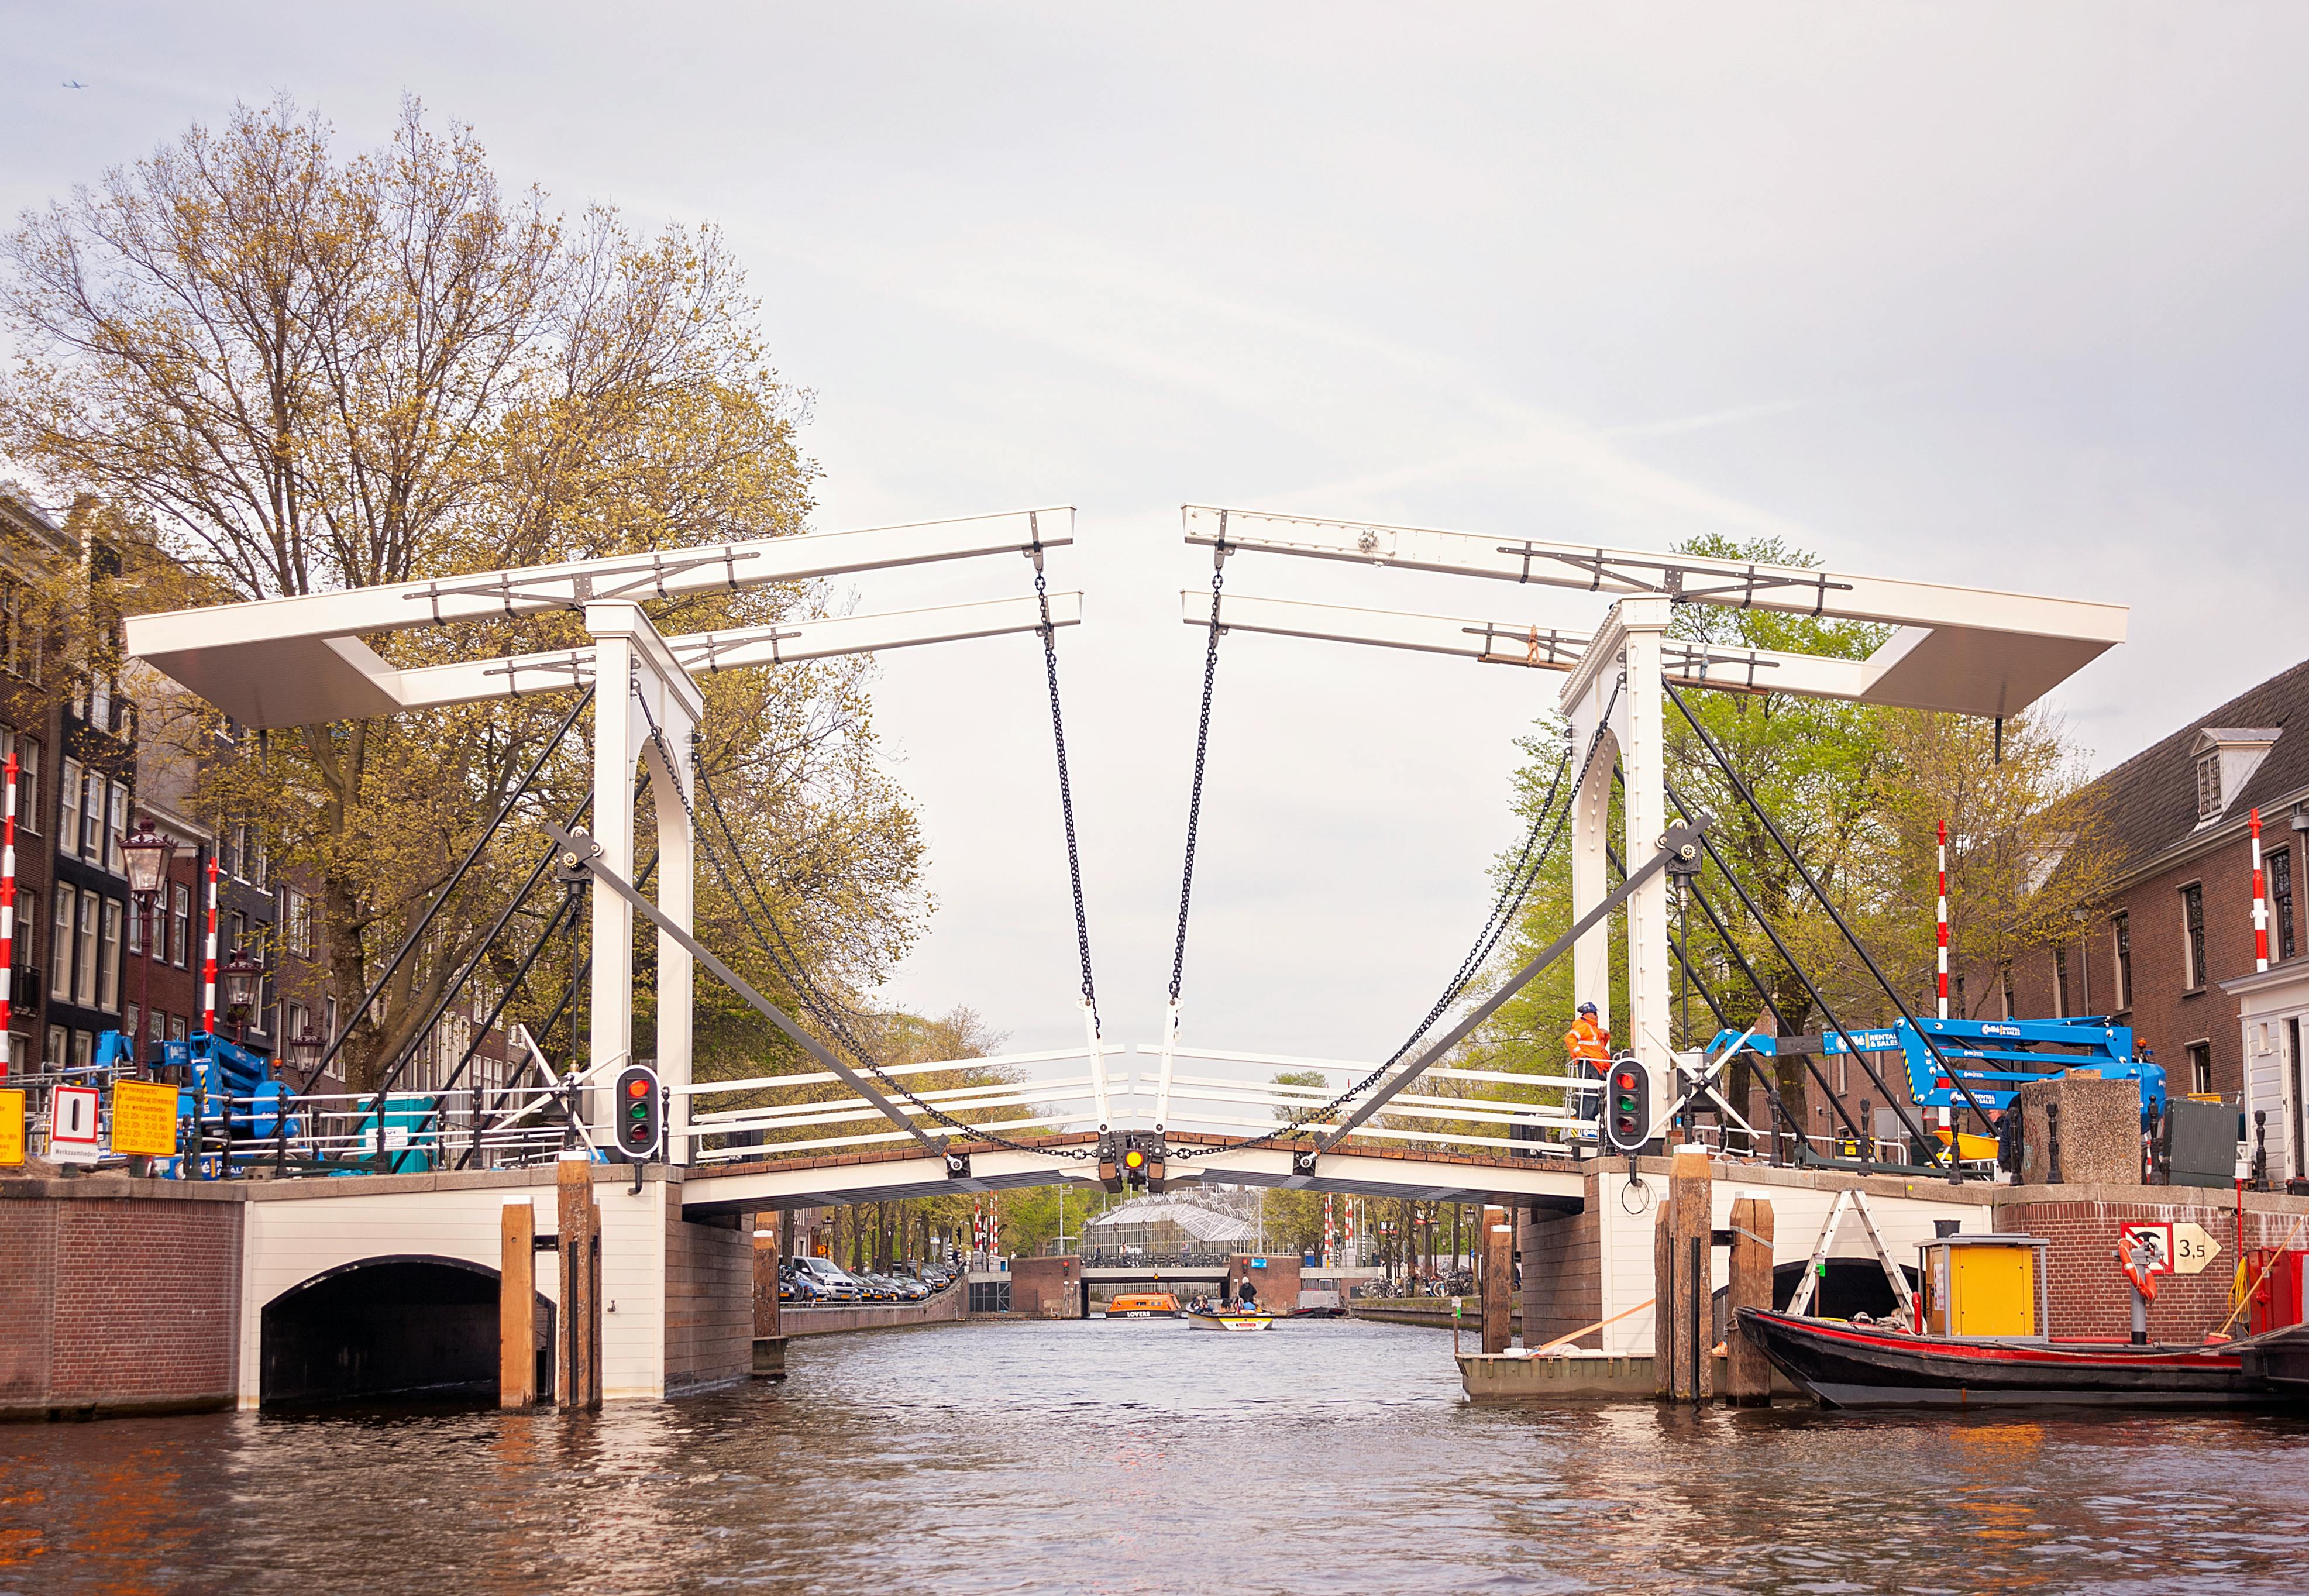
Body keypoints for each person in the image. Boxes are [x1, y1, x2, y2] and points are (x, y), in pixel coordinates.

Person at [1565, 1000, 1611, 1127]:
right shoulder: (1584, 1027)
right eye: (1595, 1013)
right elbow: (1570, 1039)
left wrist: (1605, 1036)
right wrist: (1580, 1055)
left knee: (1599, 1096)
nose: (1597, 1016)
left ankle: (1588, 1119)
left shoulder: (1593, 1029)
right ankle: (1586, 1121)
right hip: (1590, 1065)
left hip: (1599, 1066)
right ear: (1588, 1014)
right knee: (1590, 1095)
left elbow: (1599, 1048)